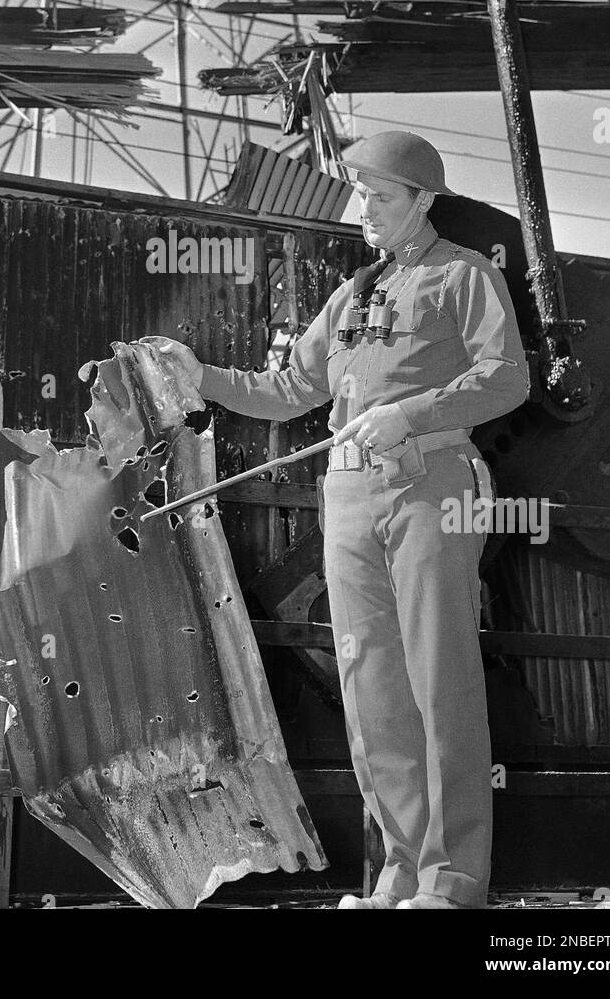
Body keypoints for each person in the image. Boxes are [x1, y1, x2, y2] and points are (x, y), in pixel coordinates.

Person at [149, 131, 529, 910]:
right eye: (361, 196)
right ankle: (397, 876)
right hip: (350, 497)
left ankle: (452, 883)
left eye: (380, 197)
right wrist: (206, 377)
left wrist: (411, 414)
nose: (365, 211)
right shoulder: (352, 293)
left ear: (422, 201)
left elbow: (507, 379)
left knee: (438, 684)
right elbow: (290, 388)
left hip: (432, 488)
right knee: (371, 693)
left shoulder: (465, 274)